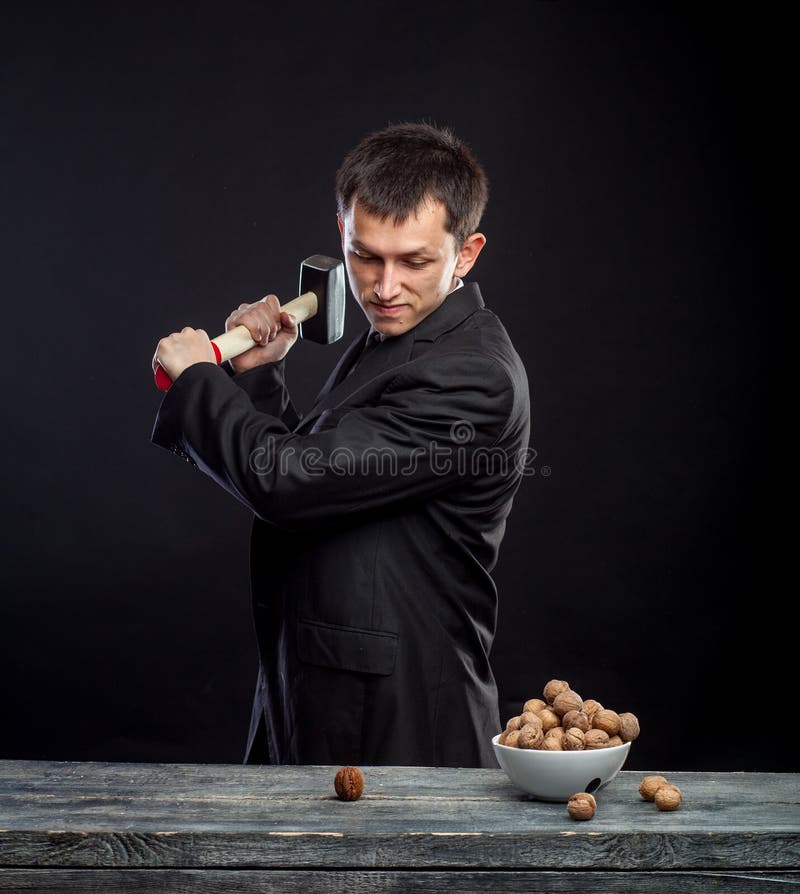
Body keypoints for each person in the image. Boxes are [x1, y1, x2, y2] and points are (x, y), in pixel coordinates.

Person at [151, 122, 531, 768]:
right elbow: (332, 472)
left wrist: (197, 378)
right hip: (316, 693)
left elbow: (286, 482)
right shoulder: (402, 335)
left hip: (403, 720)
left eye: (414, 261)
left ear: (466, 254)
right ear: (341, 235)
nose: (384, 288)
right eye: (366, 256)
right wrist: (261, 374)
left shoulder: (473, 373)